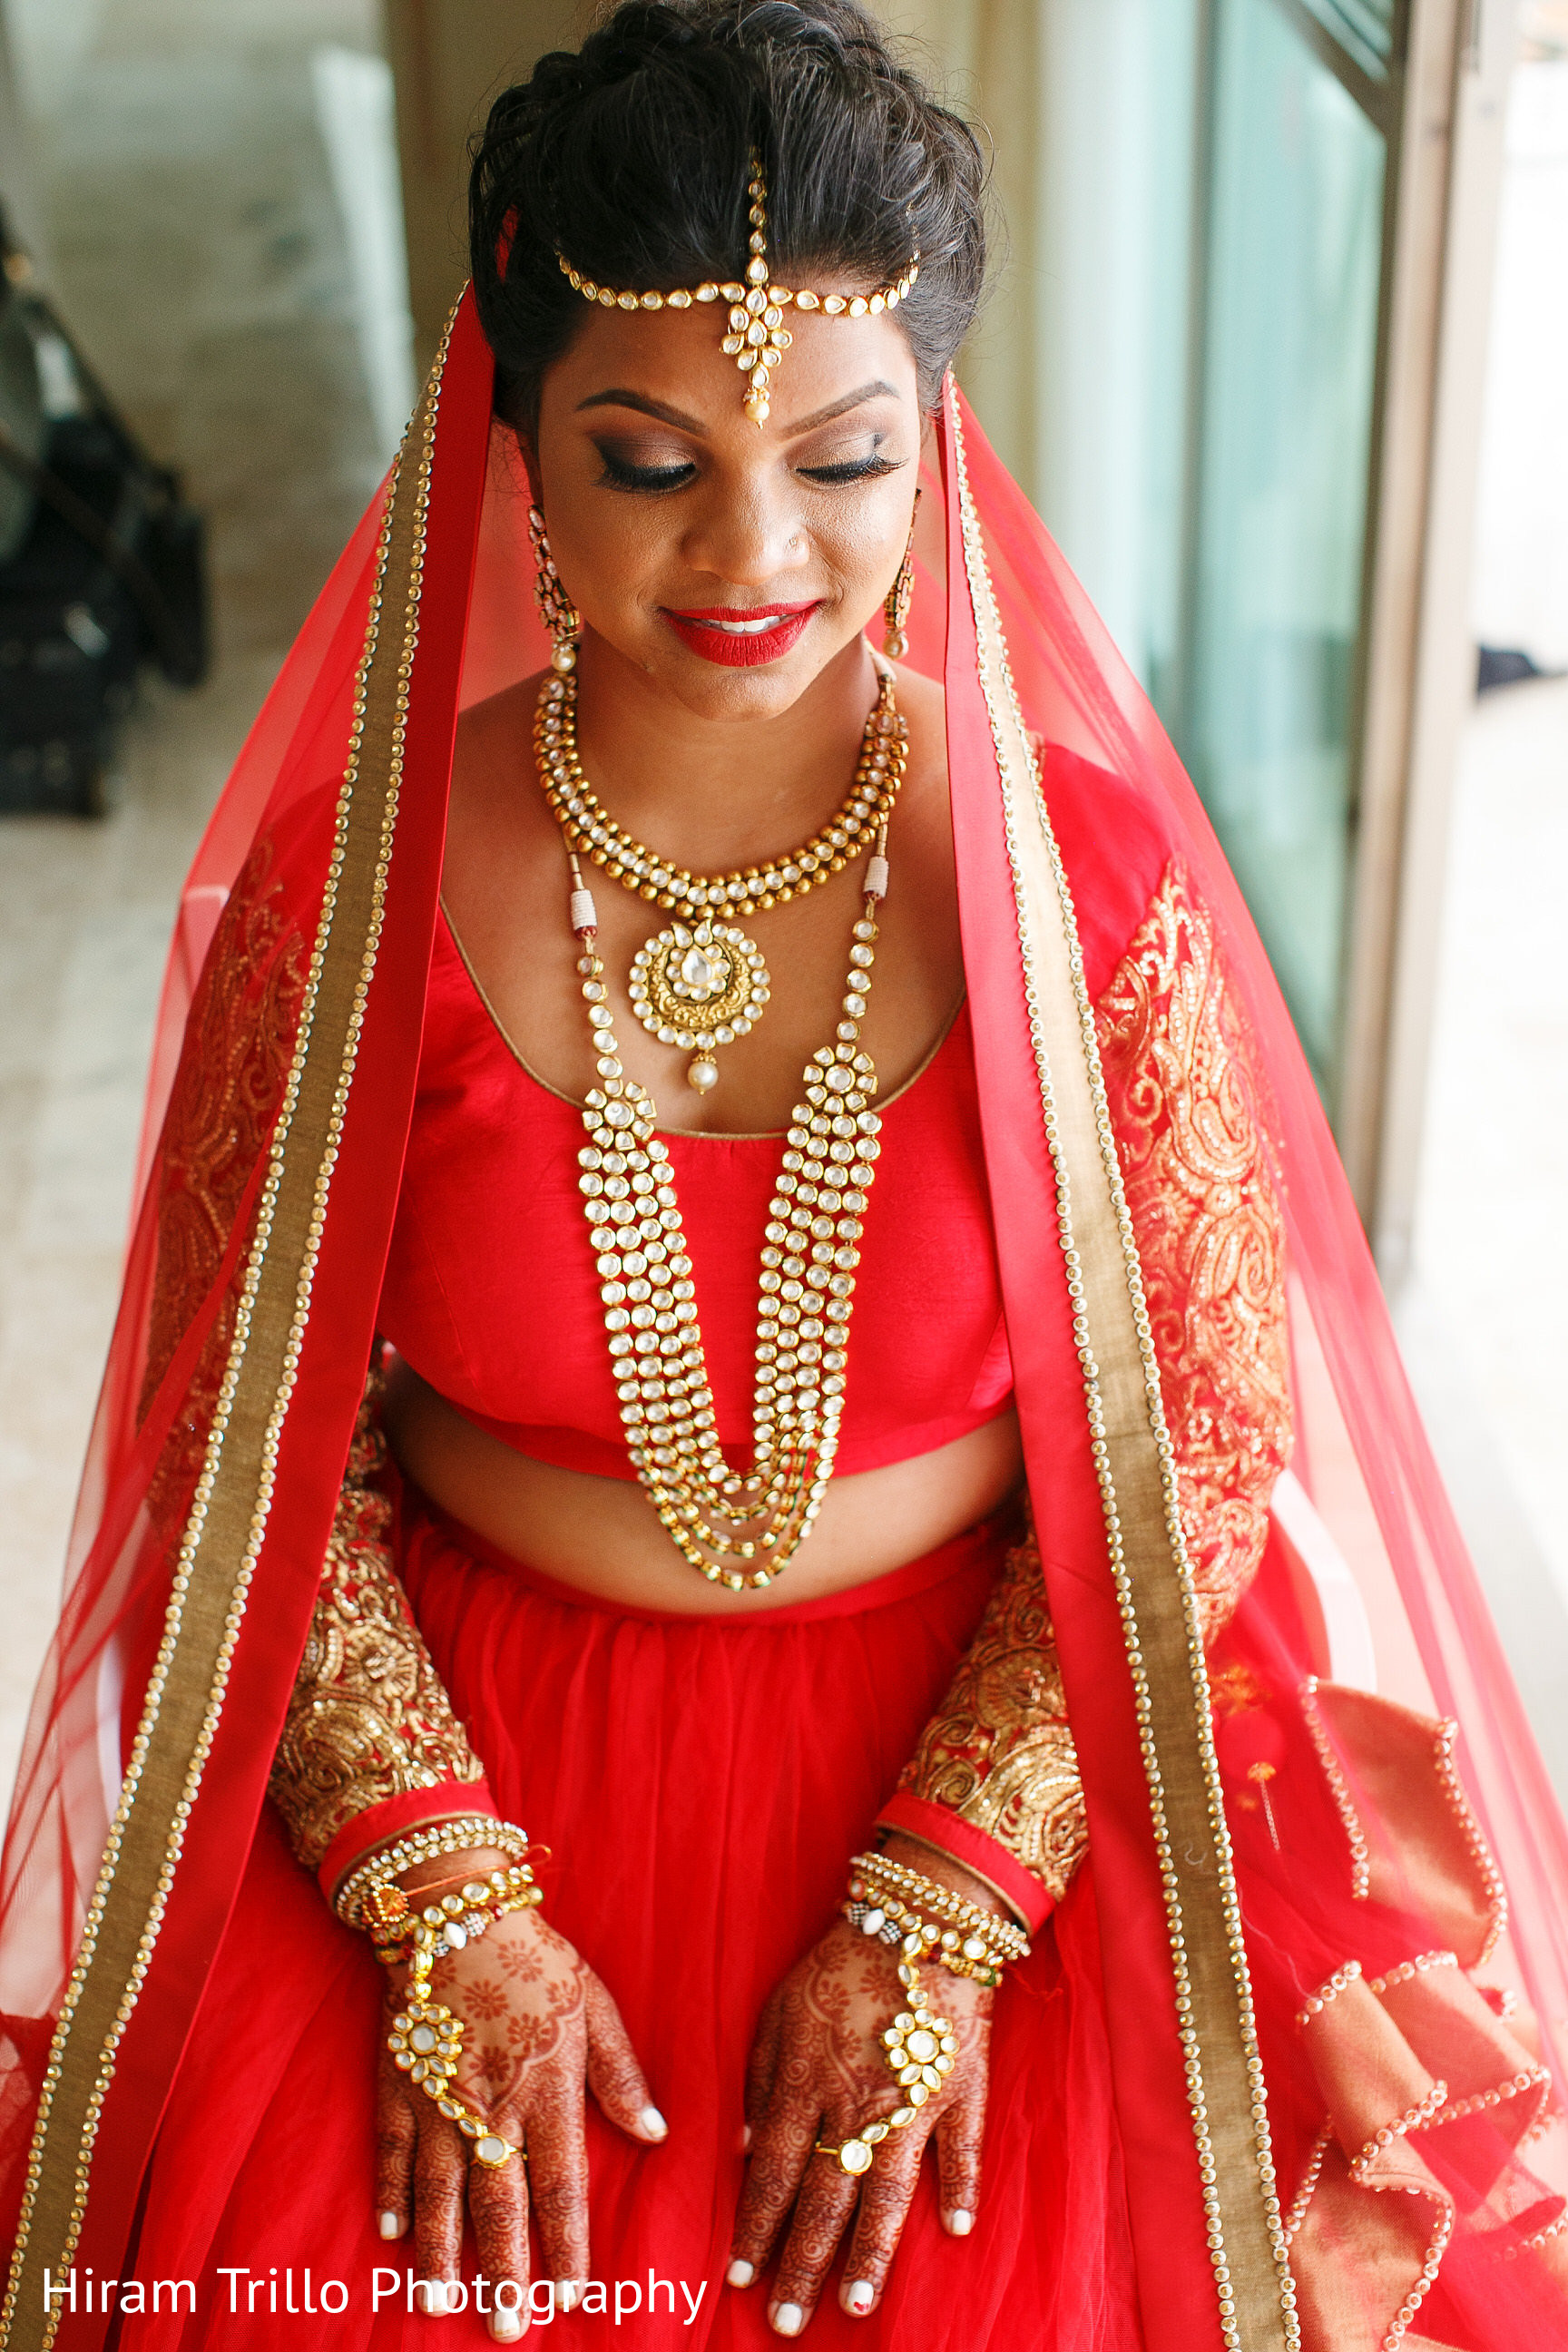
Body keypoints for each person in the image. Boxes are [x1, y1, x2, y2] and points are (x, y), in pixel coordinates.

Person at [4, 5, 1568, 2347]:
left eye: (844, 461)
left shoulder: (1075, 873)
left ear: (935, 445)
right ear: (515, 439)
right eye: (648, 462)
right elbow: (244, 1439)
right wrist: (440, 1896)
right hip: (467, 1774)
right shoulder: (362, 892)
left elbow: (1206, 1426)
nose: (756, 552)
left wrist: (944, 1900)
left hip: (1000, 1755)